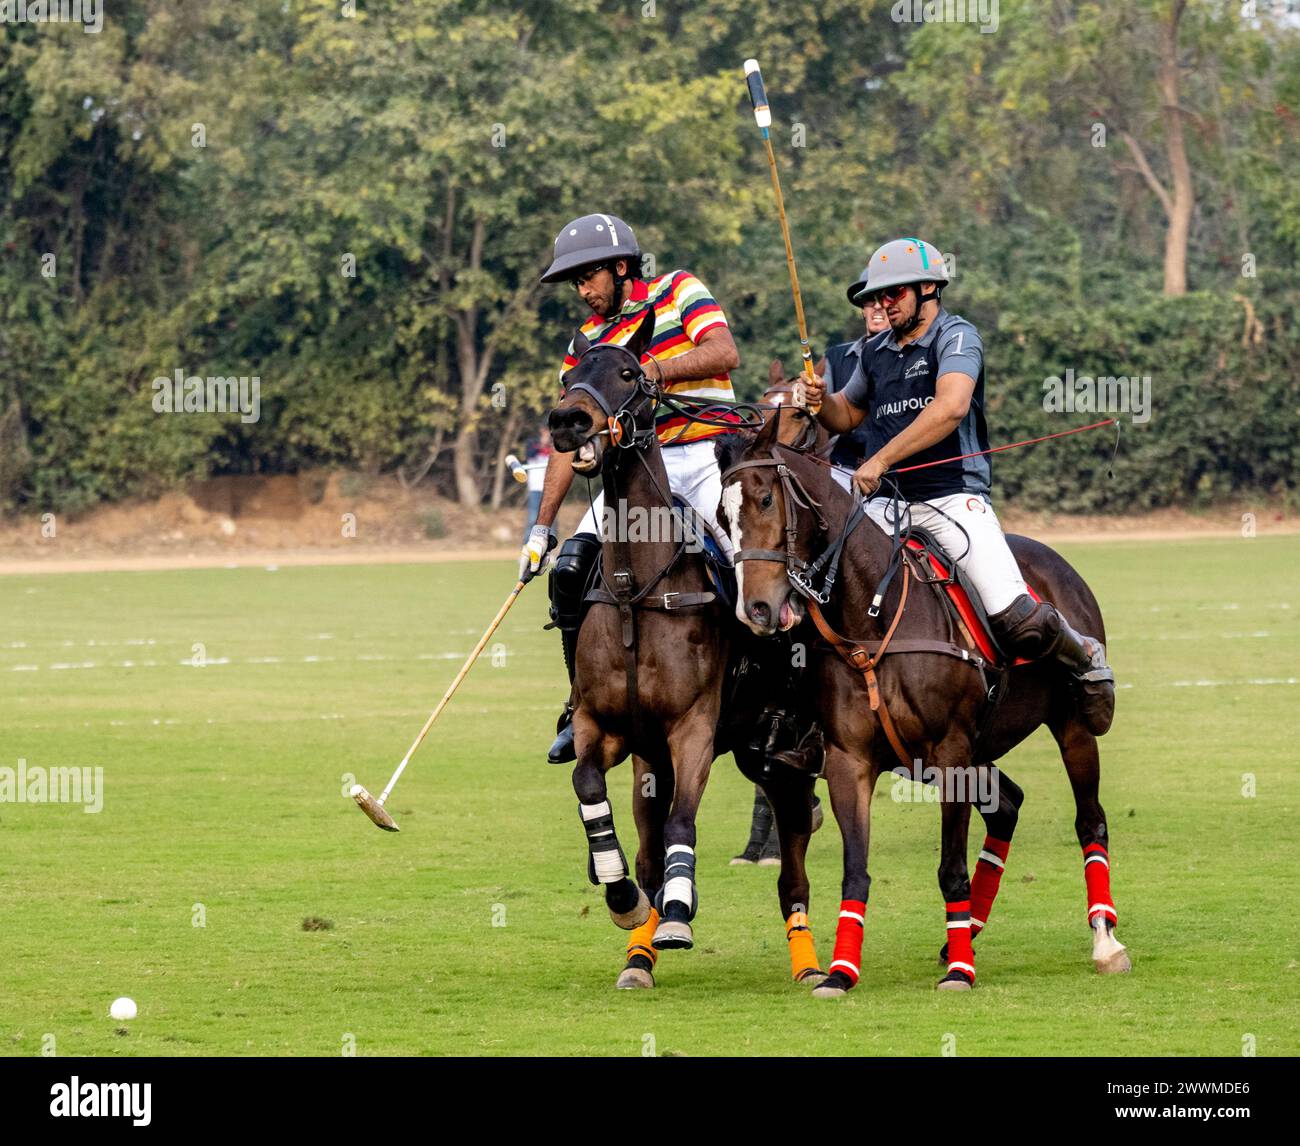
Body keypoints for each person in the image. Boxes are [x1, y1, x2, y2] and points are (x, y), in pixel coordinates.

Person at [802, 237, 1115, 731]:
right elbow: (846, 413)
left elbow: (950, 408)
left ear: (929, 288)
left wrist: (880, 458)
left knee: (1016, 615)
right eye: (878, 296)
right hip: (886, 505)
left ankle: (1087, 657)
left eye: (893, 294)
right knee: (814, 593)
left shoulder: (957, 337)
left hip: (952, 498)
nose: (882, 304)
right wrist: (820, 400)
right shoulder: (874, 351)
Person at [520, 213, 742, 763]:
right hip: (639, 473)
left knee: (750, 563)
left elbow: (723, 350)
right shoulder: (585, 343)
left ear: (621, 267)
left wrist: (650, 372)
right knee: (571, 569)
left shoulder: (676, 289)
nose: (583, 291)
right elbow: (569, 437)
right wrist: (541, 529)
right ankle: (581, 702)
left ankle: (782, 696)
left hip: (705, 453)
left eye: (588, 277)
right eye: (575, 282)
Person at [818, 286, 892, 492]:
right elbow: (826, 420)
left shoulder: (909, 355)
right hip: (843, 468)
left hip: (894, 469)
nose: (877, 306)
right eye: (869, 300)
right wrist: (816, 398)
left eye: (884, 298)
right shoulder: (835, 356)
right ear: (862, 309)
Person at [521, 426, 552, 541]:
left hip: (550, 490)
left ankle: (549, 550)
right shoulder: (532, 443)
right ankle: (526, 549)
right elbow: (530, 454)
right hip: (535, 488)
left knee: (551, 522)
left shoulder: (555, 447)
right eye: (545, 430)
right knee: (532, 519)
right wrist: (542, 444)